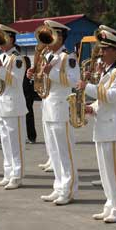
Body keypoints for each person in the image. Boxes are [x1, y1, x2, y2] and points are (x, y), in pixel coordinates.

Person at [78, 29, 116, 222]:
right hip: (103, 126)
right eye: (101, 48)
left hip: (114, 127)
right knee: (105, 171)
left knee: (114, 171)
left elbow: (113, 96)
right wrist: (91, 108)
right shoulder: (108, 72)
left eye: (106, 49)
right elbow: (103, 101)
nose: (102, 52)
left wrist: (88, 87)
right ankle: (110, 204)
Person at [31, 20, 80, 205]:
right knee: (54, 151)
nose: (49, 39)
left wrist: (51, 73)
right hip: (49, 107)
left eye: (53, 35)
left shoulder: (69, 57)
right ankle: (58, 186)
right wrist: (35, 74)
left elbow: (75, 81)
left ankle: (69, 189)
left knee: (65, 151)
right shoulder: (49, 56)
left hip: (61, 108)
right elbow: (45, 80)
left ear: (60, 37)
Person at [0, 25, 28, 190]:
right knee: (6, 142)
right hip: (3, 104)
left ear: (11, 39)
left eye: (3, 37)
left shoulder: (17, 58)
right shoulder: (3, 56)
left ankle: (17, 175)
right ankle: (8, 173)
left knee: (16, 143)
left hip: (14, 106)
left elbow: (15, 80)